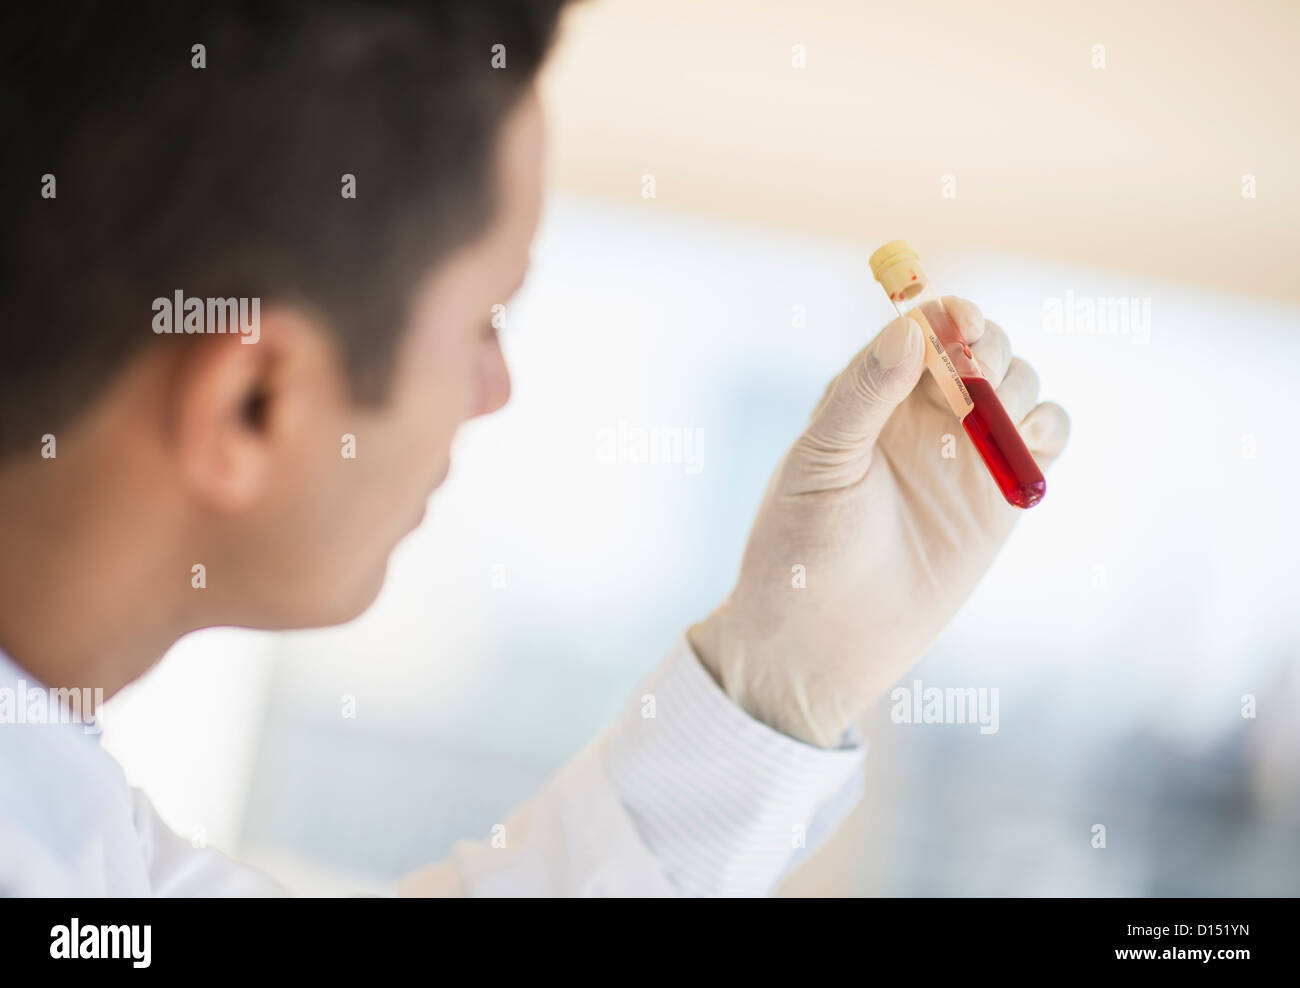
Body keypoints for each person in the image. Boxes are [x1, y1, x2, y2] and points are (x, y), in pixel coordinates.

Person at [0, 0, 1069, 896]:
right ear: (252, 403)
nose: (498, 391)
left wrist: (778, 676)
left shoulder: (73, 838)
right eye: (484, 322)